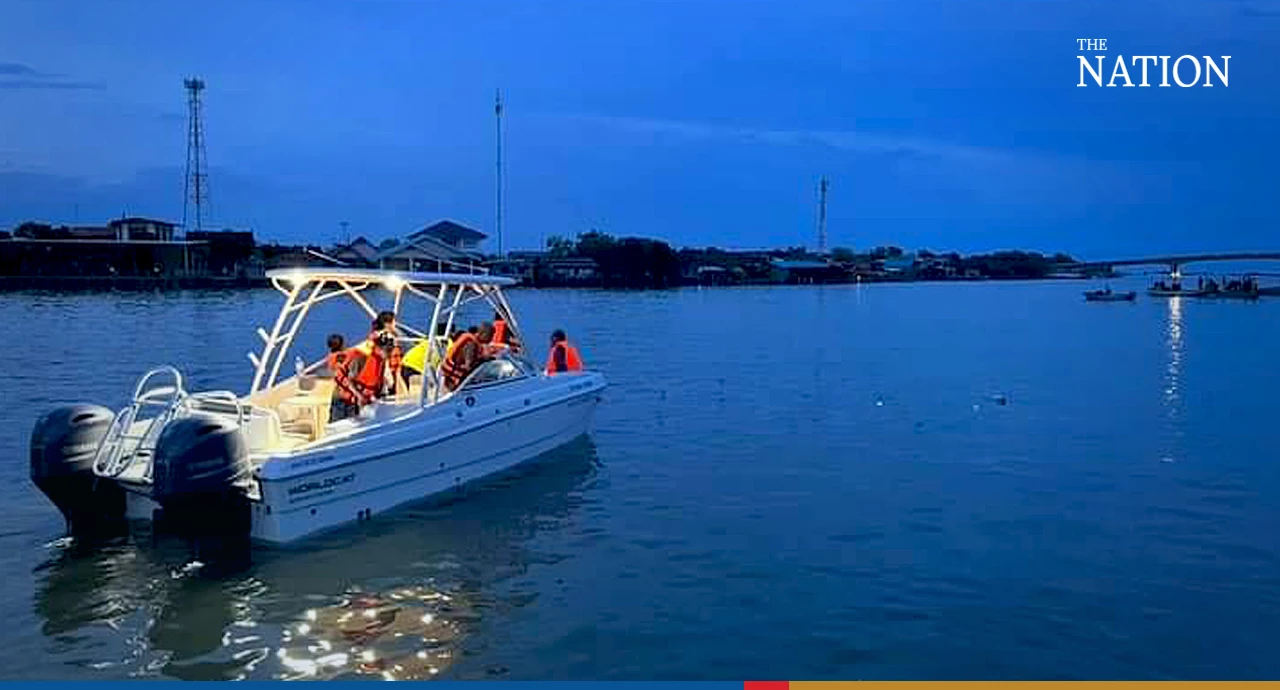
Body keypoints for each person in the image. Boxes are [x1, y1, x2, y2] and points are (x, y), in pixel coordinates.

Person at [326, 334, 367, 422]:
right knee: (351, 423)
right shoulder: (352, 353)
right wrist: (358, 394)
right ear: (342, 344)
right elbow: (345, 380)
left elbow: (341, 379)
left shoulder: (331, 359)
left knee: (336, 424)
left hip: (339, 395)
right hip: (349, 398)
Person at [440, 326, 485, 391]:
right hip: (454, 382)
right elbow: (468, 365)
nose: (491, 338)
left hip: (446, 376)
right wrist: (482, 362)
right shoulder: (471, 345)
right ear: (483, 334)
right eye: (491, 335)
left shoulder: (466, 339)